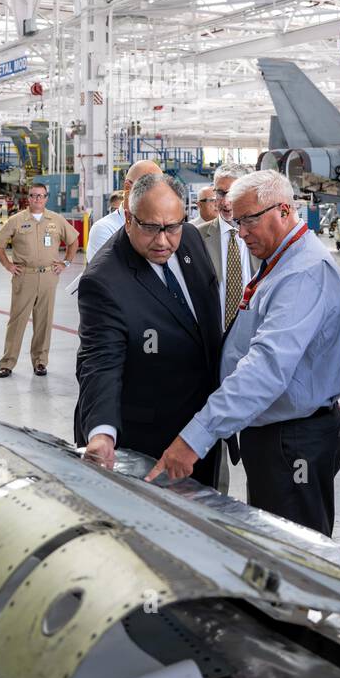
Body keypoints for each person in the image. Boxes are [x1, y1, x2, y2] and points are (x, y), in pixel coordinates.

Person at [147, 170, 340, 537]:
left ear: (284, 210)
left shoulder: (303, 273)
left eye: (249, 220)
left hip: (293, 441)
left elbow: (266, 367)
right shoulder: (281, 260)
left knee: (294, 557)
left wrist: (196, 437)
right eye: (236, 221)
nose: (241, 233)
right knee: (272, 544)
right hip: (274, 435)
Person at [75, 174, 223, 486]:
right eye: (151, 227)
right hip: (147, 442)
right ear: (128, 218)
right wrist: (102, 434)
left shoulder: (191, 240)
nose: (163, 240)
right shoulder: (104, 280)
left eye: (172, 226)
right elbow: (99, 362)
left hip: (200, 432)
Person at [0, 182, 78, 378]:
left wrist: (66, 263)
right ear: (28, 198)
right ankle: (7, 363)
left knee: (44, 321)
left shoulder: (56, 220)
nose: (37, 199)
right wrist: (8, 265)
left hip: (49, 276)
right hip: (25, 276)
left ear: (46, 198)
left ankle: (40, 361)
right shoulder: (16, 220)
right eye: (33, 195)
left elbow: (73, 241)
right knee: (17, 320)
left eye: (41, 196)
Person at [197, 164, 253, 330]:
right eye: (220, 193)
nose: (226, 202)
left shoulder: (264, 236)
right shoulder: (196, 237)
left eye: (233, 193)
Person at [85, 160, 162, 261]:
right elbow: (108, 274)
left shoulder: (162, 226)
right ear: (128, 187)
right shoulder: (105, 229)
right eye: (149, 187)